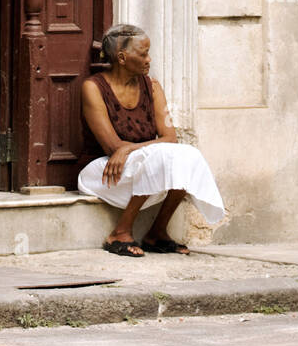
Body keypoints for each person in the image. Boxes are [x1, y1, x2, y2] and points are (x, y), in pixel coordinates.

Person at [78, 23, 226, 256]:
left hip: (138, 170)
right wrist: (132, 150)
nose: (149, 59)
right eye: (143, 53)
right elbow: (113, 147)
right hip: (104, 173)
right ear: (122, 57)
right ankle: (120, 233)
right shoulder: (93, 87)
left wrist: (132, 149)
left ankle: (156, 233)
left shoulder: (153, 87)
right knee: (157, 156)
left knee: (186, 155)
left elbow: (170, 138)